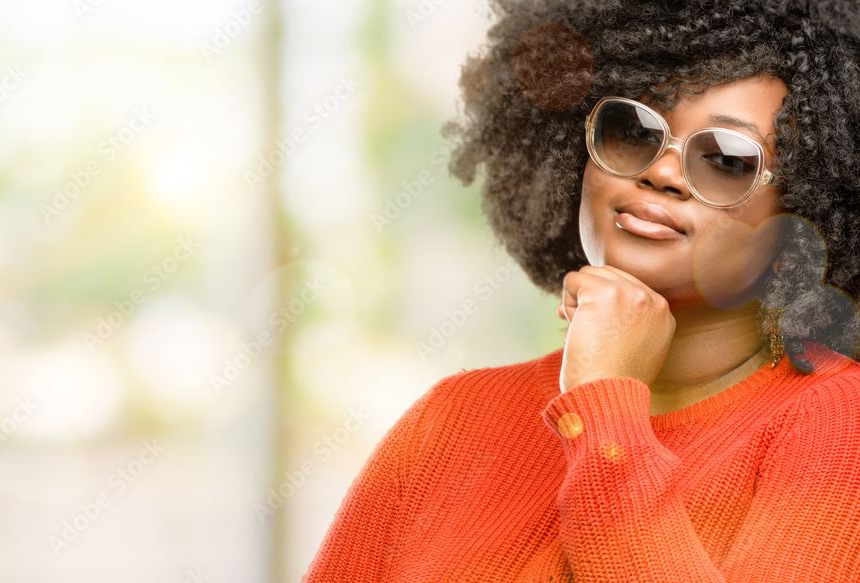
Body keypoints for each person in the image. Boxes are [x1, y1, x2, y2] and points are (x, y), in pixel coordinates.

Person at [302, 0, 860, 580]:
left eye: (726, 158)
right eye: (635, 129)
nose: (661, 172)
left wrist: (603, 408)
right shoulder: (452, 419)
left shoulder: (838, 426)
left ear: (808, 210)